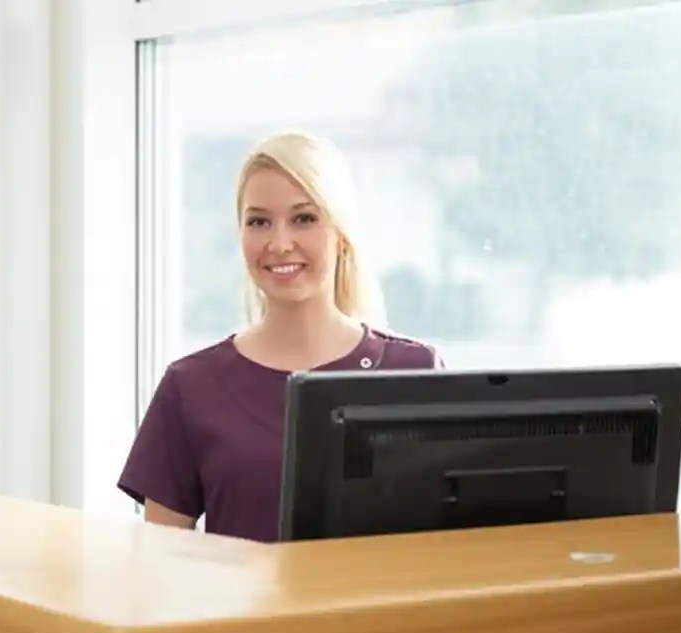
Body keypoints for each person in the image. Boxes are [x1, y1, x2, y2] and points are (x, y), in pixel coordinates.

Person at [117, 131, 443, 543]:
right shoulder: (190, 387)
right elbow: (159, 566)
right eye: (259, 222)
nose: (279, 243)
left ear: (341, 235)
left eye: (304, 218)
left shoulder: (414, 371)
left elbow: (443, 549)